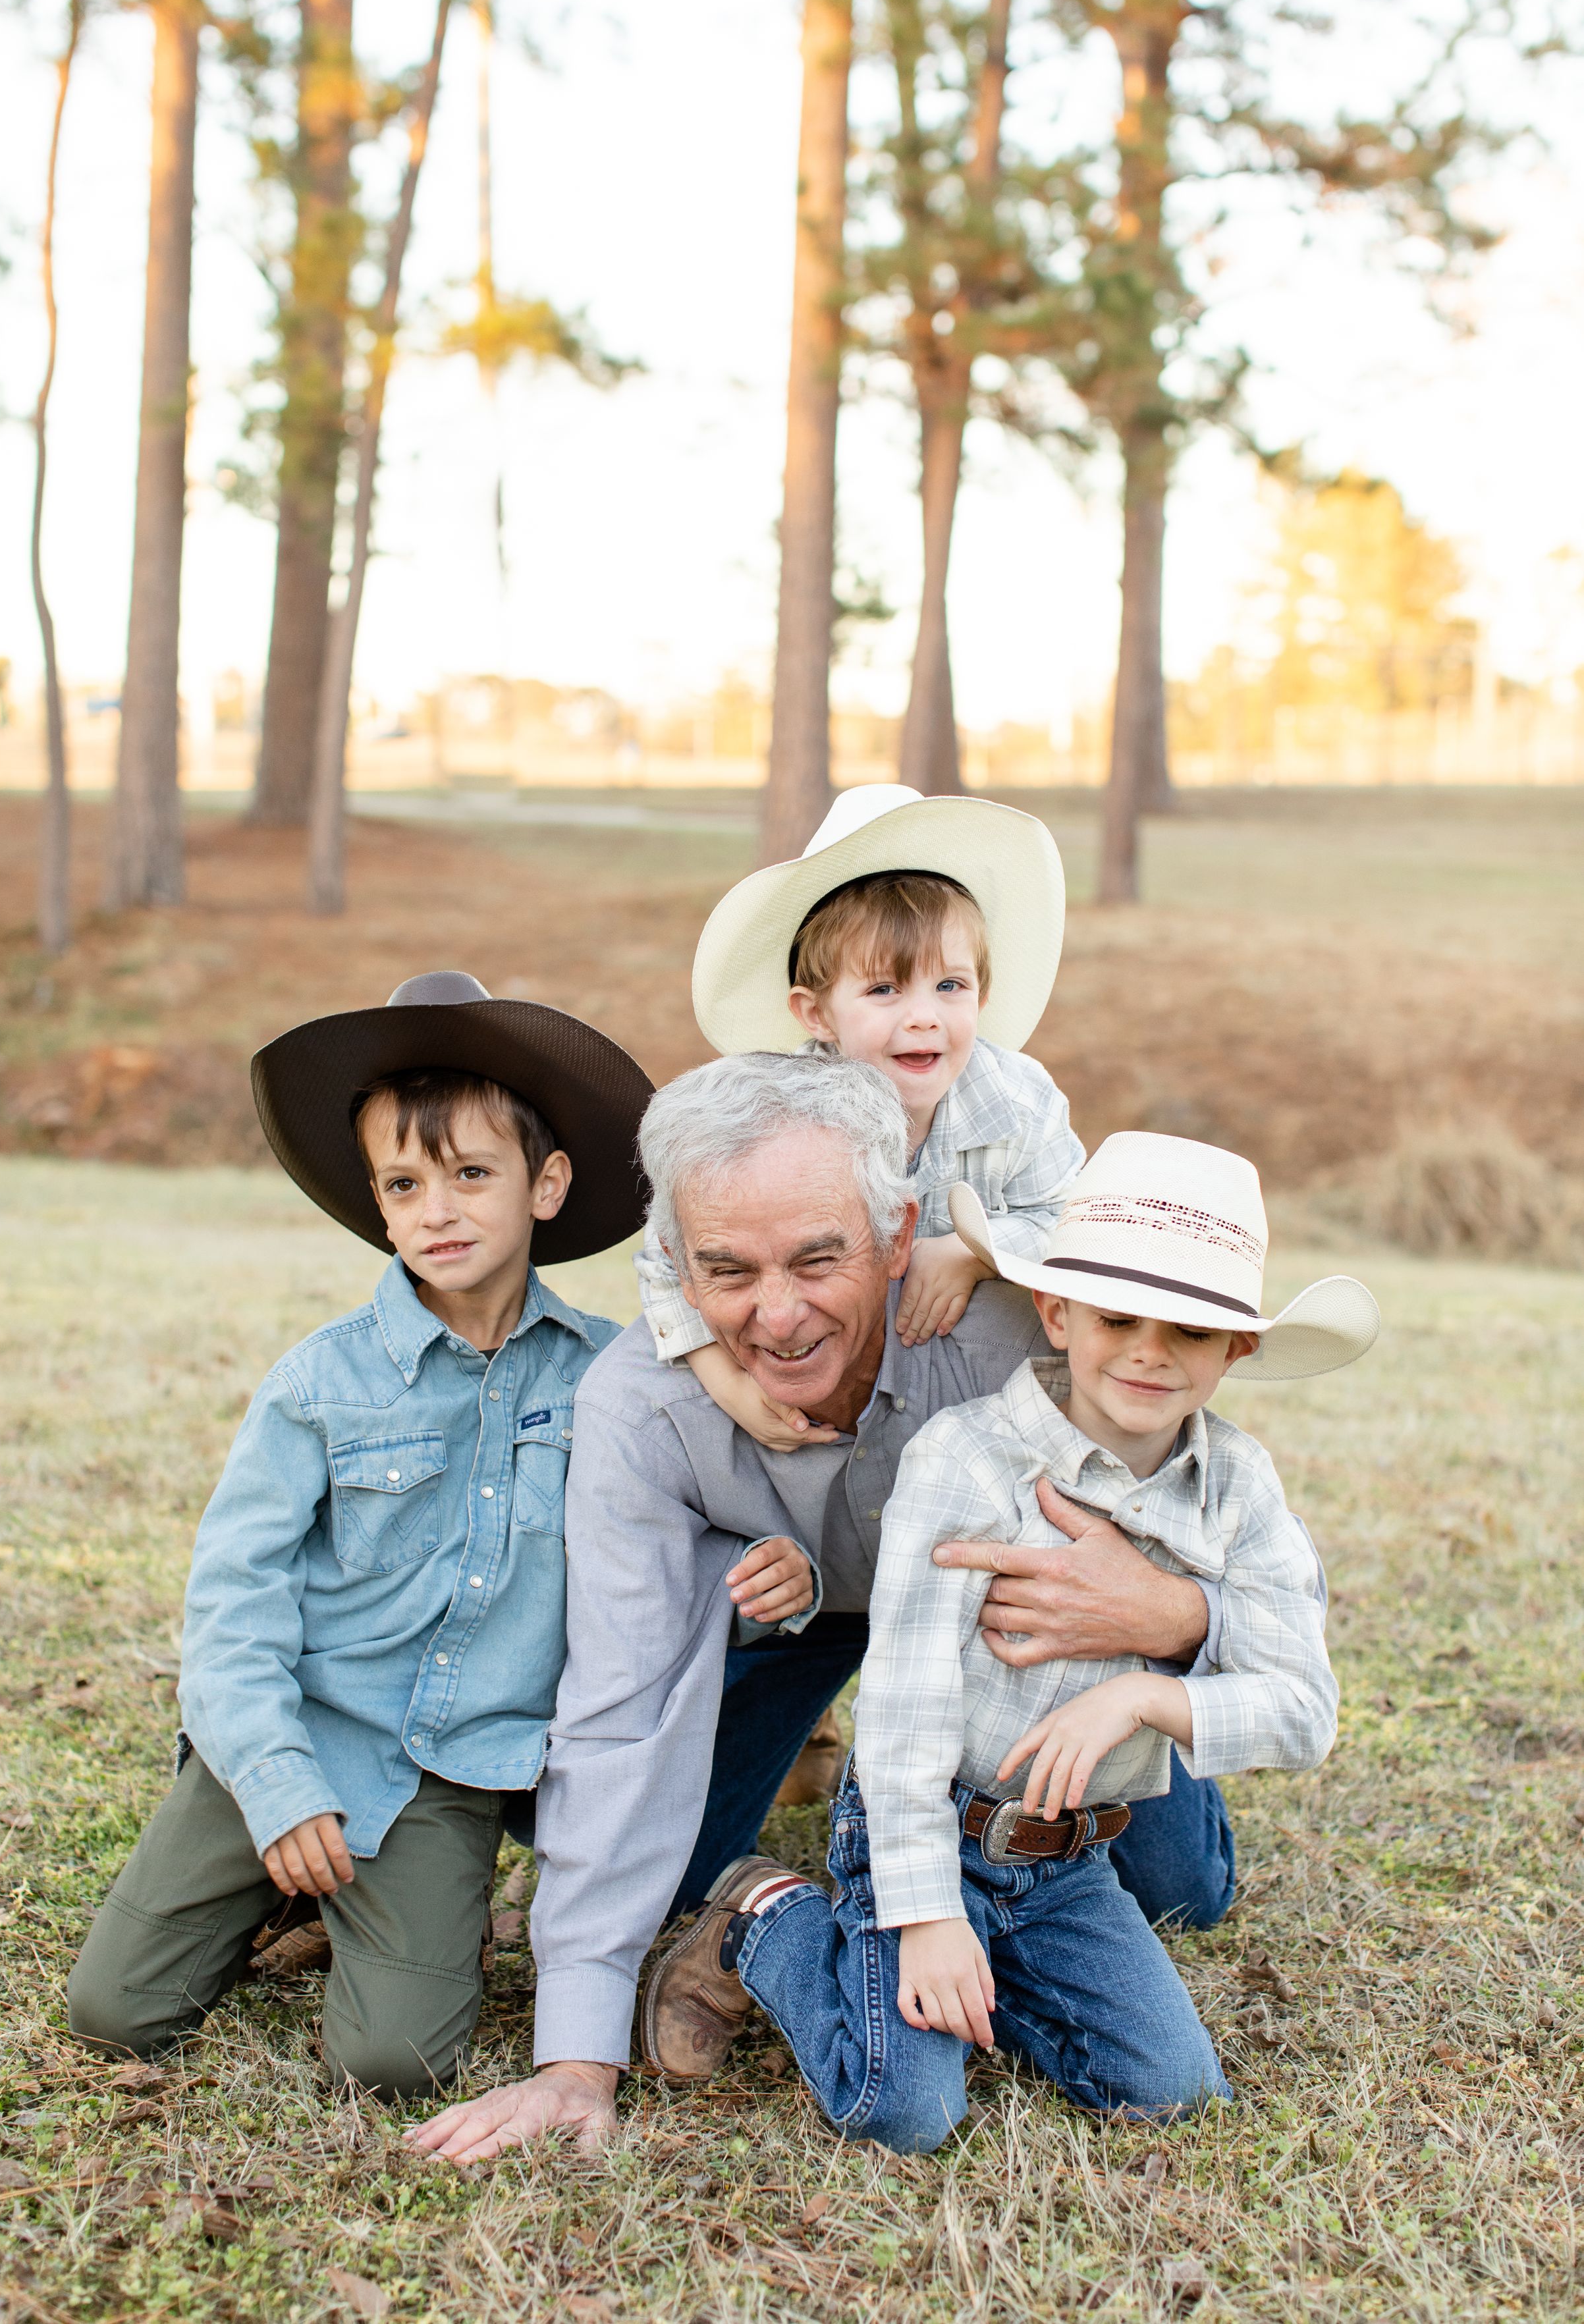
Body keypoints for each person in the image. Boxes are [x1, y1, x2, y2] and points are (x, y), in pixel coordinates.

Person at [407, 1064, 1247, 2167]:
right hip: (796, 1619)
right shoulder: (641, 1409)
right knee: (679, 1858)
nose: (779, 1314)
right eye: (726, 1271)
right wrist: (574, 2061)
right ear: (672, 1265)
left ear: (899, 1236)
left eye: (818, 1259)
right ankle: (776, 1901)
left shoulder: (1028, 1344)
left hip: (990, 1632)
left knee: (1188, 1893)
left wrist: (1171, 1613)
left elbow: (1236, 1565)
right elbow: (620, 1711)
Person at [649, 1135, 1377, 2152]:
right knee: (904, 2109)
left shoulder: (1240, 1488)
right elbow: (902, 1709)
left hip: (1070, 1850)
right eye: (1118, 1317)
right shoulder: (970, 1459)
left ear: (1238, 1349)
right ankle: (767, 1917)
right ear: (1058, 1311)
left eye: (1194, 1331)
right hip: (933, 1817)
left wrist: (1146, 1700)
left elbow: (1306, 1708)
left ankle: (977, 1981)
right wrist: (927, 1911)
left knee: (1171, 2091)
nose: (1150, 1353)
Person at [66, 971, 653, 2100]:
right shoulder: (318, 1386)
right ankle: (280, 1879)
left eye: (472, 1174)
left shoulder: (607, 1380)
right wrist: (279, 1782)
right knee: (116, 2014)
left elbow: (706, 1507)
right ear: (378, 1207)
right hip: (289, 1740)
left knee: (391, 2063)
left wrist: (791, 1567)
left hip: (444, 1770)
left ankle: (392, 1908)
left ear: (548, 1183)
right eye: (405, 1182)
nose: (438, 1209)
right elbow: (232, 1606)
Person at [636, 783, 1084, 1449]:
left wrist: (972, 1251)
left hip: (969, 1382)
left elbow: (1079, 1227)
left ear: (981, 994)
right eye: (883, 989)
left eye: (950, 986)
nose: (924, 1015)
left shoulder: (1018, 1101)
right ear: (816, 1014)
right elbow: (665, 1258)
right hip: (819, 1362)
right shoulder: (776, 1117)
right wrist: (725, 1383)